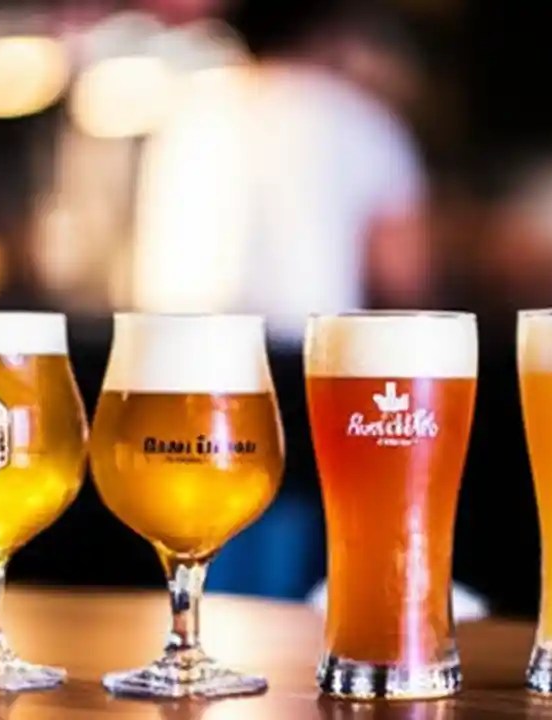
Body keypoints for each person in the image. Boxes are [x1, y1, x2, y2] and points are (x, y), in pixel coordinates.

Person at [130, 0, 432, 599]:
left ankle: (198, 638)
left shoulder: (189, 109)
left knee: (198, 531)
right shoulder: (359, 118)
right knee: (287, 550)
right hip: (303, 361)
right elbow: (405, 279)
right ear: (335, 34)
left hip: (177, 358)